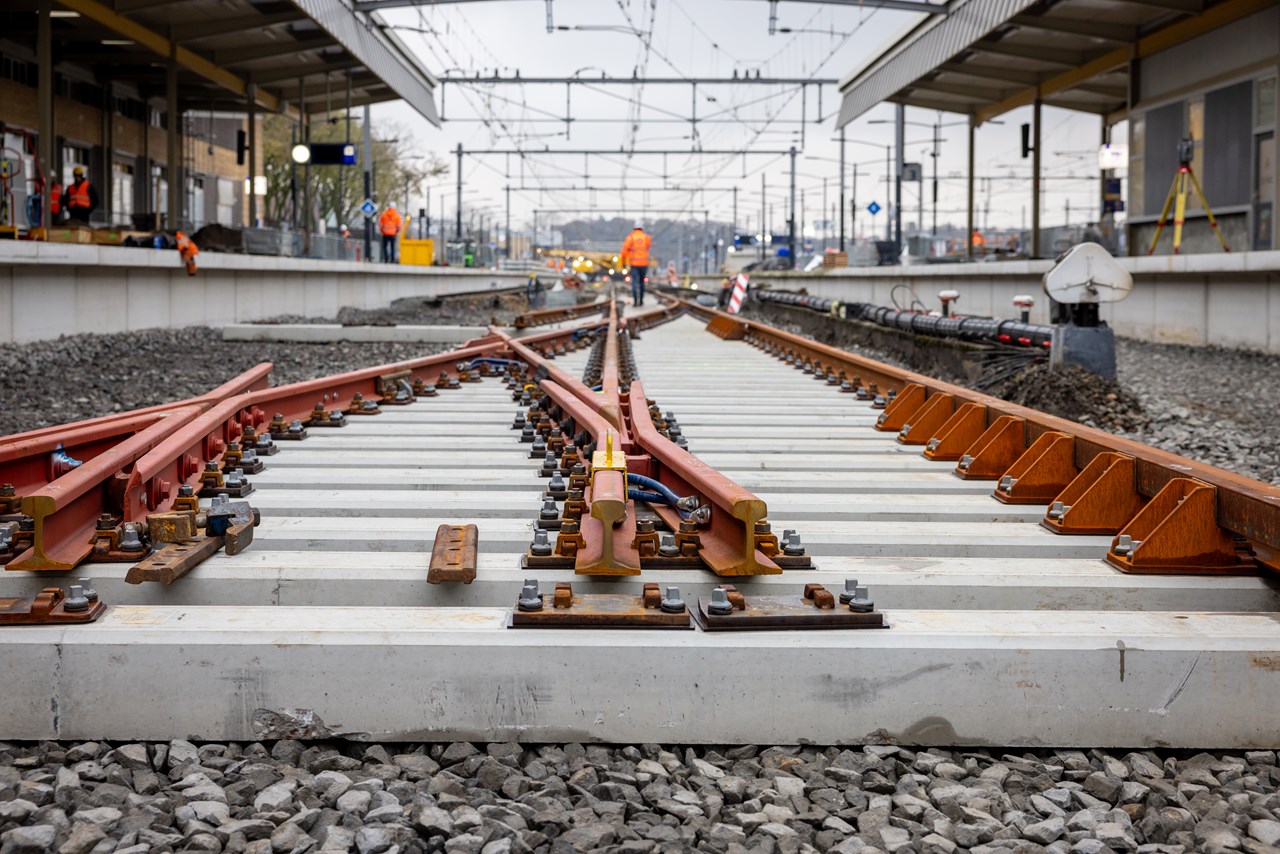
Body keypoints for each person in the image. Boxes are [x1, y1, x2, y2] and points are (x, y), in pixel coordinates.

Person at [619, 220, 652, 306]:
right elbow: (648, 246)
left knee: (634, 282)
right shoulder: (646, 237)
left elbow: (623, 252)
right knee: (642, 282)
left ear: (634, 227)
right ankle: (641, 300)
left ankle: (635, 301)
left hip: (634, 264)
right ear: (642, 228)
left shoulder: (630, 238)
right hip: (644, 264)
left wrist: (623, 263)